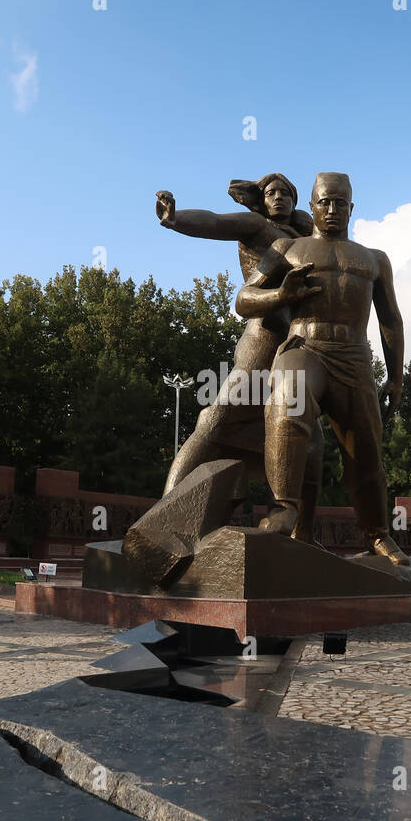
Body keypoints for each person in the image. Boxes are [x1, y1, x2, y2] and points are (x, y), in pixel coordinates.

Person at [235, 172, 408, 565]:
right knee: (287, 401)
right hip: (305, 344)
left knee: (365, 449)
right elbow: (245, 299)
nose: (332, 209)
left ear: (352, 207)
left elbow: (391, 320)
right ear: (311, 206)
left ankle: (379, 535)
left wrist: (396, 377)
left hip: (353, 355)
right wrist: (282, 294)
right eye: (324, 202)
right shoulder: (286, 248)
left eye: (340, 202)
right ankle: (284, 507)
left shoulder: (374, 259)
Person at [154, 175, 325, 545]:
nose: (279, 197)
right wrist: (175, 218)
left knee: (310, 443)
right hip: (263, 340)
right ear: (260, 200)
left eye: (286, 193)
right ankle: (164, 513)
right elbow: (215, 222)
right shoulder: (256, 226)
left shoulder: (307, 239)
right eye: (271, 192)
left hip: (297, 346)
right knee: (217, 418)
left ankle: (303, 535)